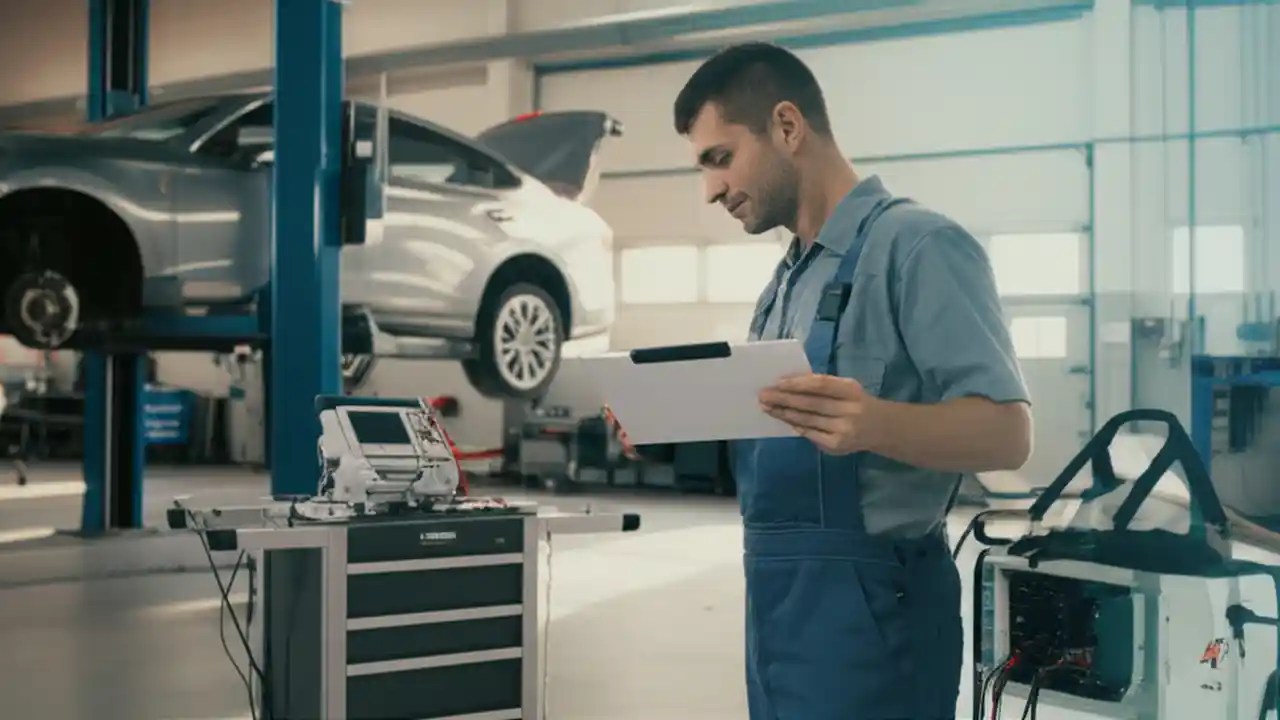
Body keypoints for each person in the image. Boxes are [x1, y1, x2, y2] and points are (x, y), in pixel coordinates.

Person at [625, 42, 1034, 719]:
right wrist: (667, 430)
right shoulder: (784, 283)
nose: (711, 190)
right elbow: (776, 441)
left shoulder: (920, 246)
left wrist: (877, 424)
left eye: (719, 158)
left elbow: (1008, 433)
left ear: (787, 127)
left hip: (877, 616)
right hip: (779, 609)